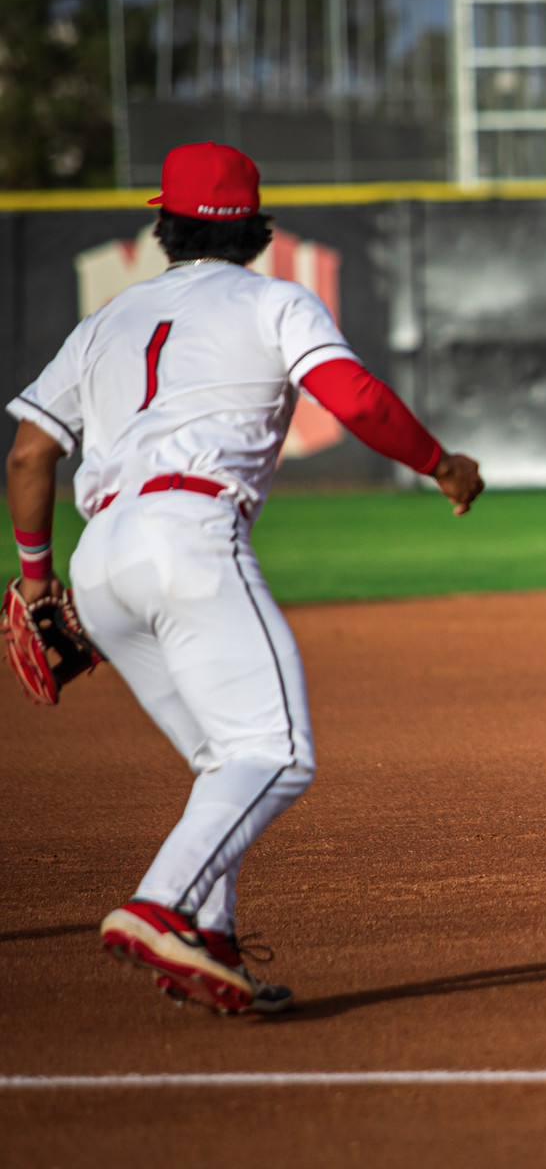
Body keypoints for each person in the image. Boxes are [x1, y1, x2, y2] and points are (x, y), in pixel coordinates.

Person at [4, 142, 484, 1014]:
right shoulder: (273, 300)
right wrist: (442, 463)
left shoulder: (107, 320)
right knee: (278, 755)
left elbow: (31, 453)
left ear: (164, 223)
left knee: (222, 759)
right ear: (257, 226)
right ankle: (156, 907)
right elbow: (358, 398)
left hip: (98, 556)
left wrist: (37, 585)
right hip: (189, 532)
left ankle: (207, 938)